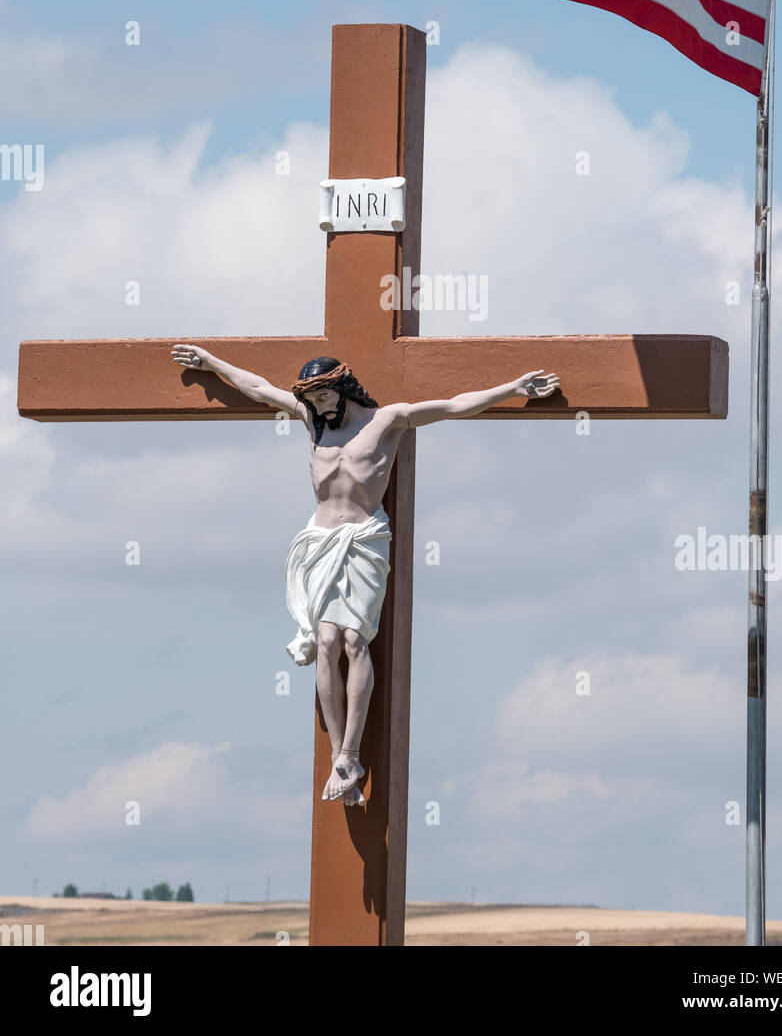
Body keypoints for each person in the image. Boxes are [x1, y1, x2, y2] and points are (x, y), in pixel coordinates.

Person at [170, 344, 559, 805]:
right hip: (318, 542)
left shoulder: (386, 421)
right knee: (327, 642)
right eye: (310, 400)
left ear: (343, 388)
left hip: (363, 540)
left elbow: (454, 404)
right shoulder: (310, 421)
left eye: (322, 397)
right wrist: (211, 362)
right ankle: (341, 757)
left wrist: (513, 389)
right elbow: (258, 388)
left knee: (354, 640)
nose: (316, 406)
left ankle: (352, 752)